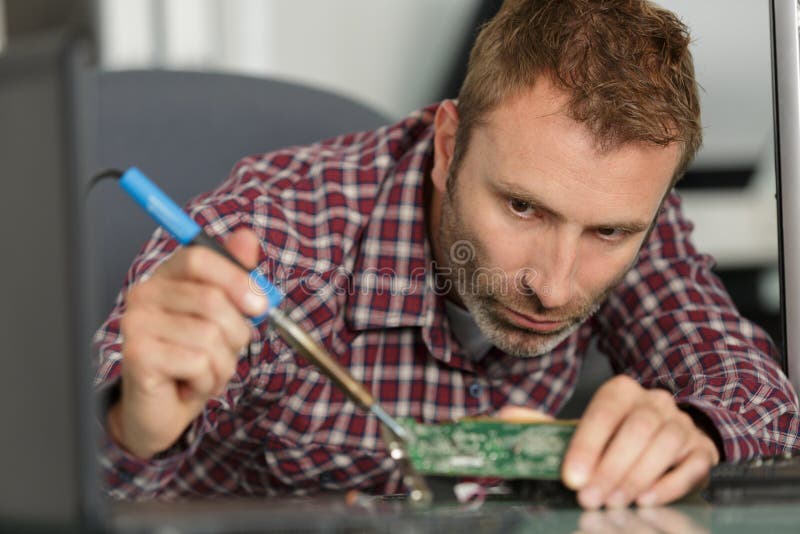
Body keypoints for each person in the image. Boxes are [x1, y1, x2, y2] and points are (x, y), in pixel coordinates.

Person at [95, 0, 800, 510]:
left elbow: (754, 392)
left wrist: (693, 429)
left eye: (609, 234)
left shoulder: (617, 205)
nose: (555, 286)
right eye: (522, 207)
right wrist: (130, 427)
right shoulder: (270, 247)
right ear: (447, 145)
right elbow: (74, 477)